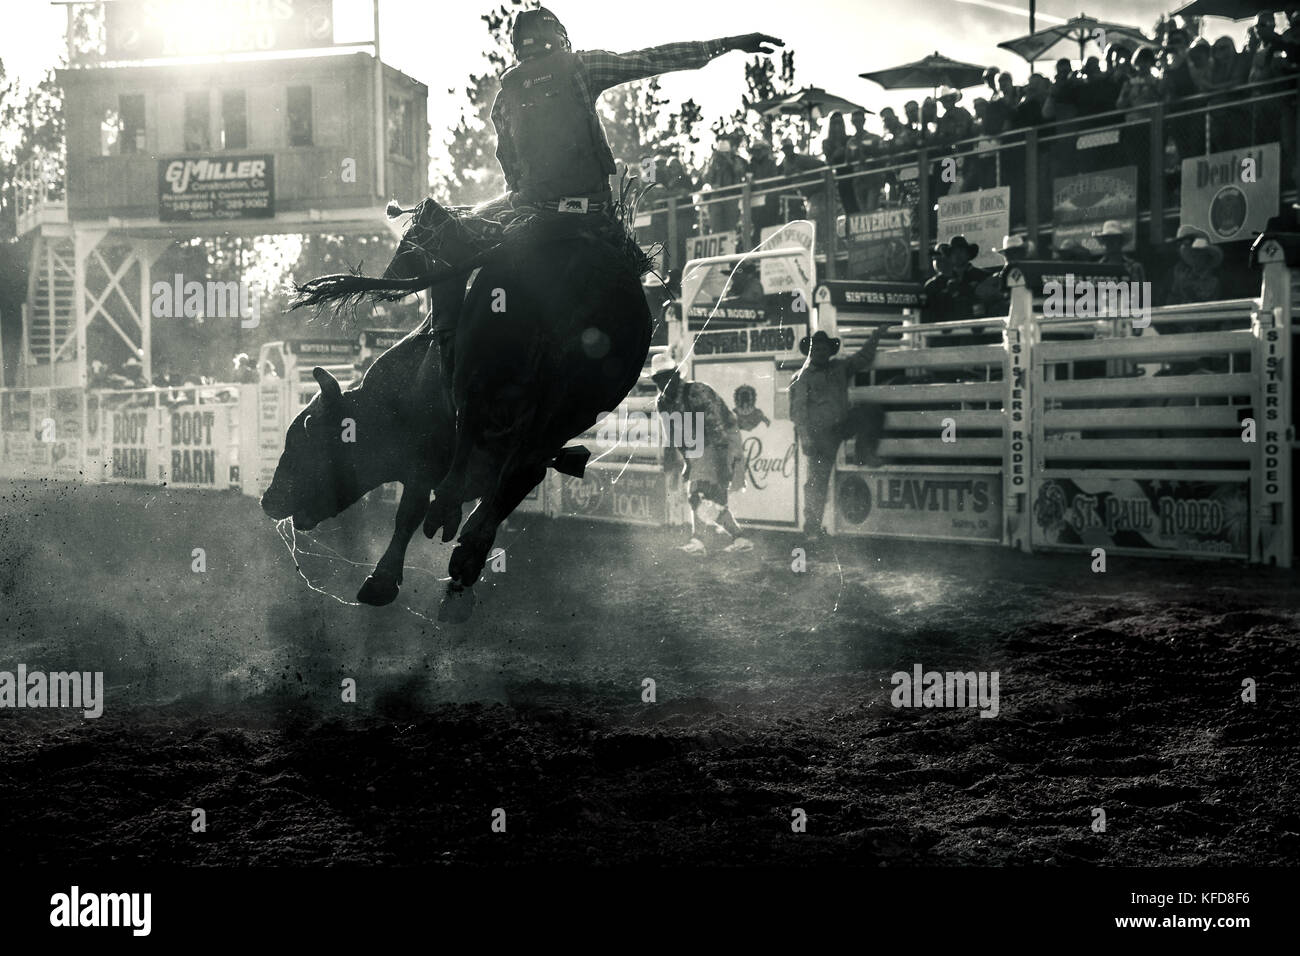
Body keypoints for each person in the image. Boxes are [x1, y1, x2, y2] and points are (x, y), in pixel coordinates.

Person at [378, 6, 784, 412]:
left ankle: (444, 341)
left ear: (519, 48)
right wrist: (726, 45)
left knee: (441, 227)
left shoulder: (504, 99)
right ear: (559, 37)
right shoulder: (581, 67)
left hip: (526, 209)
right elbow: (652, 59)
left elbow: (511, 169)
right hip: (590, 212)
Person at [649, 351, 752, 555]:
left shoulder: (697, 391)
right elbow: (675, 435)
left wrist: (723, 463)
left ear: (677, 375)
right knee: (711, 497)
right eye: (659, 378)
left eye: (668, 376)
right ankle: (739, 538)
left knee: (699, 492)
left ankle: (700, 541)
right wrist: (689, 462)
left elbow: (717, 427)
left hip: (722, 439)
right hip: (699, 445)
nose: (664, 382)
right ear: (656, 381)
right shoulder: (662, 403)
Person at [788, 327, 887, 536]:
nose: (820, 352)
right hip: (819, 435)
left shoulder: (840, 367)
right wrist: (805, 437)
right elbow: (798, 412)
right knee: (816, 482)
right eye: (816, 349)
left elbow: (863, 358)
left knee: (871, 411)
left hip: (841, 425)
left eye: (824, 348)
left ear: (829, 351)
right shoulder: (802, 377)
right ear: (810, 353)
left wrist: (875, 337)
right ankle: (812, 528)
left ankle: (864, 453)